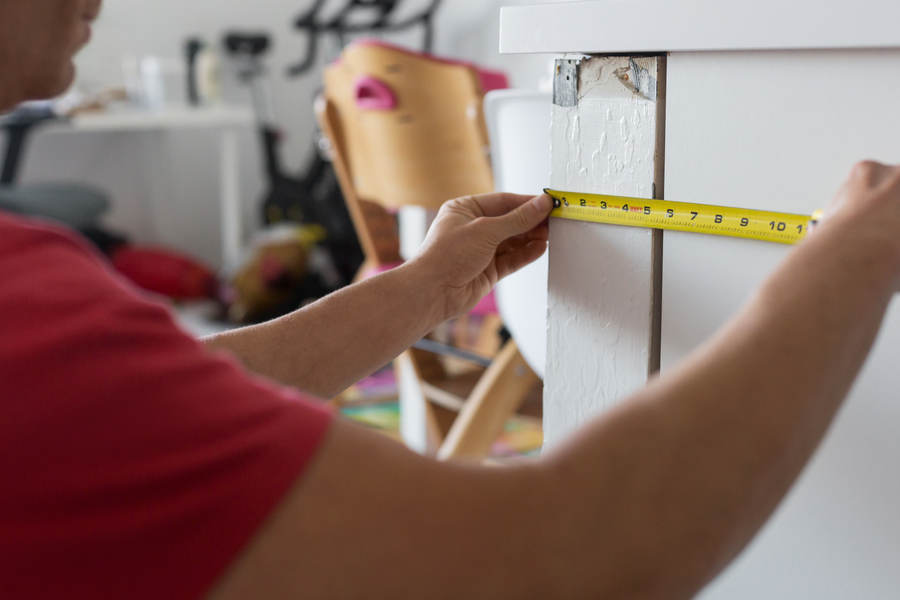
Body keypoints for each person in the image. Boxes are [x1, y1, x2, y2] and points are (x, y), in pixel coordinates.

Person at [2, 1, 898, 599]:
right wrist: (850, 263)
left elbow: (152, 409)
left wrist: (423, 288)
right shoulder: (26, 307)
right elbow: (554, 561)